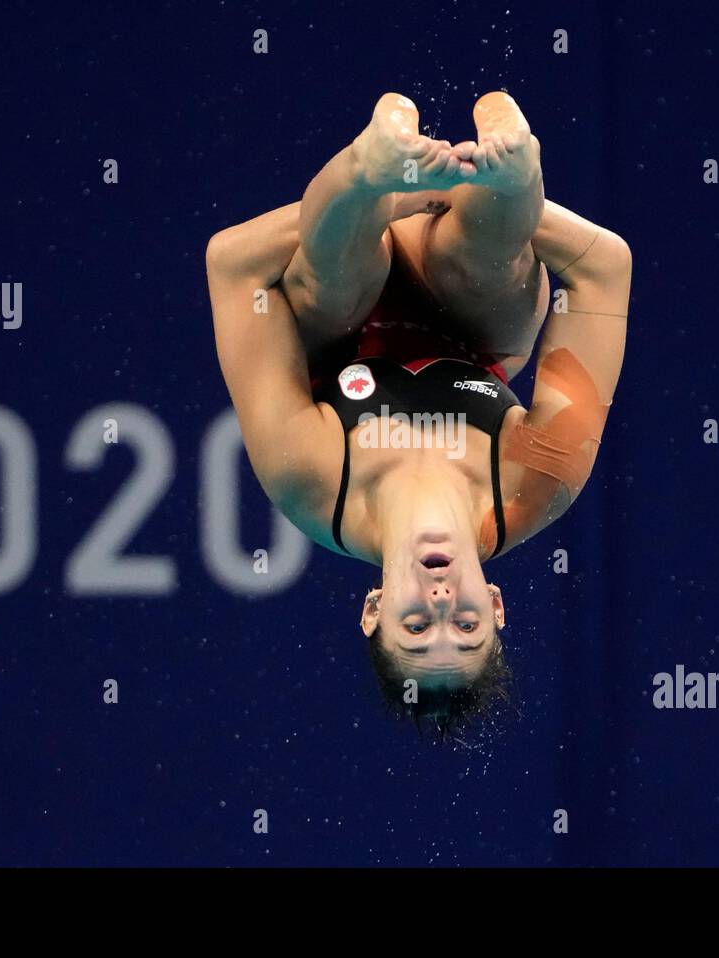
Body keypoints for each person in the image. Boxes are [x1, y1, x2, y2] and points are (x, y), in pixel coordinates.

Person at [206, 92, 632, 736]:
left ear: (373, 609)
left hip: (340, 307)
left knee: (336, 275)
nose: (440, 600)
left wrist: (384, 195)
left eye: (415, 625)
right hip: (474, 321)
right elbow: (603, 270)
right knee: (487, 259)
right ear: (496, 605)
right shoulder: (537, 485)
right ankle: (512, 168)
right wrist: (486, 194)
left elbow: (233, 266)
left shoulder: (314, 482)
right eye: (465, 626)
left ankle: (368, 162)